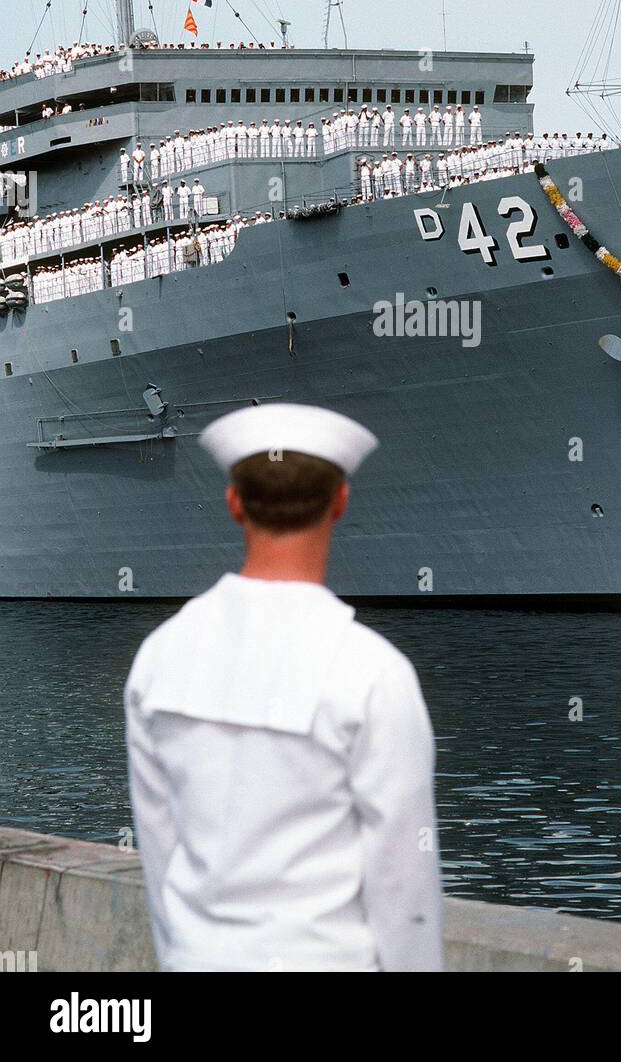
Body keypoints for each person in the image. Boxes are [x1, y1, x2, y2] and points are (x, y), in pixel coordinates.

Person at [125, 404, 443, 972]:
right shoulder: (373, 670)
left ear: (234, 503)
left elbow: (158, 851)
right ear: (340, 501)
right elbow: (402, 882)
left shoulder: (159, 658)